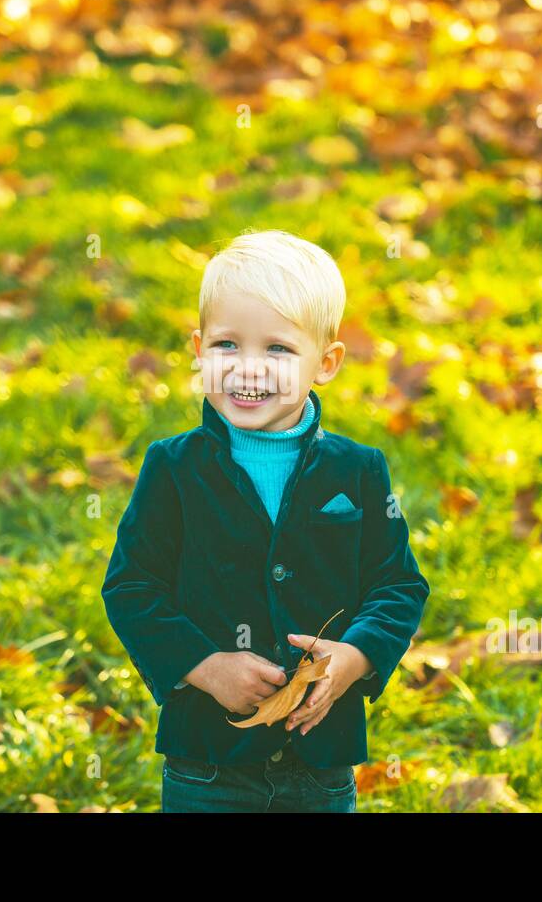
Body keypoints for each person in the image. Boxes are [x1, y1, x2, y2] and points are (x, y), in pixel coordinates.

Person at [102, 229, 430, 812]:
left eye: (278, 349)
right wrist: (203, 667)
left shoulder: (357, 472)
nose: (249, 369)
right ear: (199, 349)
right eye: (228, 345)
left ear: (324, 363)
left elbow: (398, 586)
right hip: (207, 762)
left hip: (319, 760)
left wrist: (352, 659)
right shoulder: (174, 469)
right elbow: (132, 588)